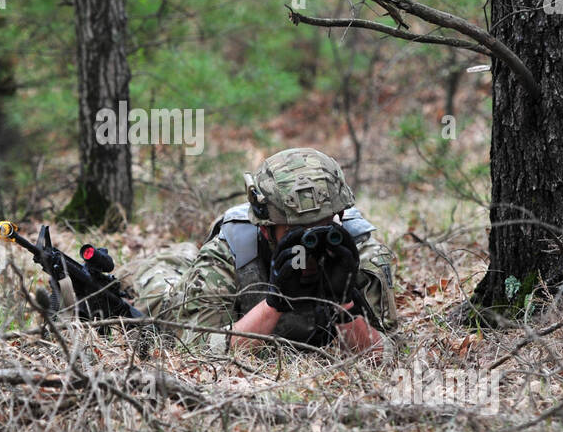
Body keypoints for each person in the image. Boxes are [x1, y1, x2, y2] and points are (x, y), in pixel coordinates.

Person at [125, 148, 398, 355]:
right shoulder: (231, 252)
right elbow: (197, 349)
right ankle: (173, 255)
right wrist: (276, 302)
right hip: (171, 284)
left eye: (323, 229)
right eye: (295, 234)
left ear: (340, 216)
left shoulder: (362, 254)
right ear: (266, 230)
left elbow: (385, 356)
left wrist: (344, 304)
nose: (310, 245)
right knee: (157, 287)